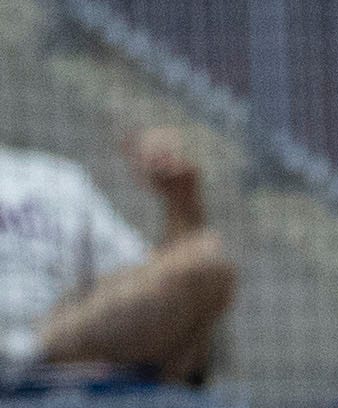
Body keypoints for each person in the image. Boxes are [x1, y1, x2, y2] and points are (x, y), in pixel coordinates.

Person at [0, 130, 236, 387]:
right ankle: (20, 360)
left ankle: (20, 357)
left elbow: (148, 292)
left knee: (203, 260)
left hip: (58, 356)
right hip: (53, 363)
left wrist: (180, 202)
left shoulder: (50, 178)